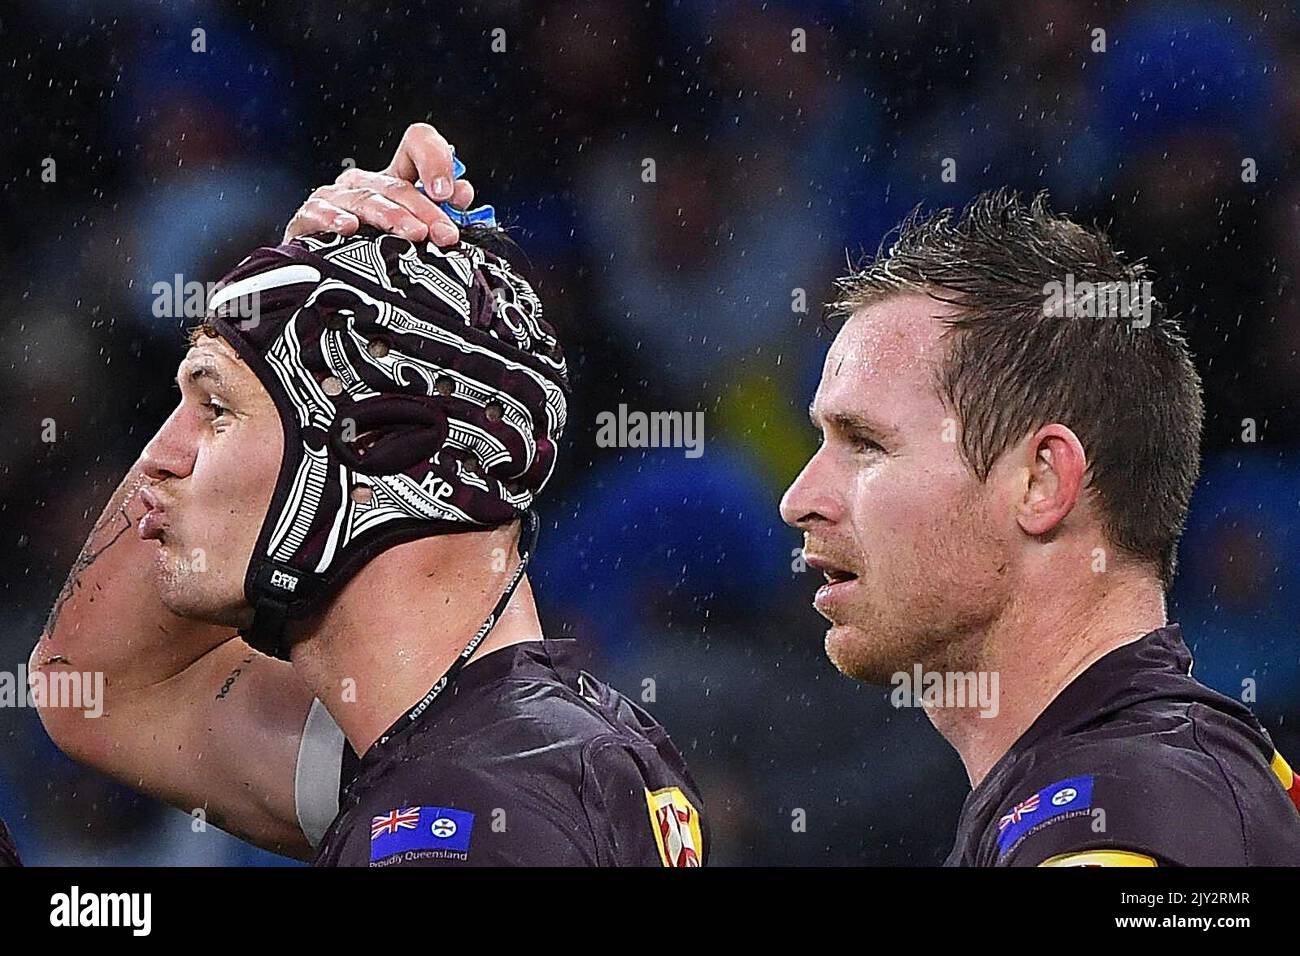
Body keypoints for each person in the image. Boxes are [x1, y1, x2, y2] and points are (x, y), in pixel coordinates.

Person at [34, 127, 708, 867]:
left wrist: (297, 319)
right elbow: (93, 688)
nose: (160, 457)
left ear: (378, 444)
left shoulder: (464, 827)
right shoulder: (506, 756)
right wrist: (291, 293)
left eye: (215, 410)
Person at [778, 189, 1300, 866]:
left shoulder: (1128, 814)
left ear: (1042, 483)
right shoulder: (1123, 790)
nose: (799, 499)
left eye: (866, 444)